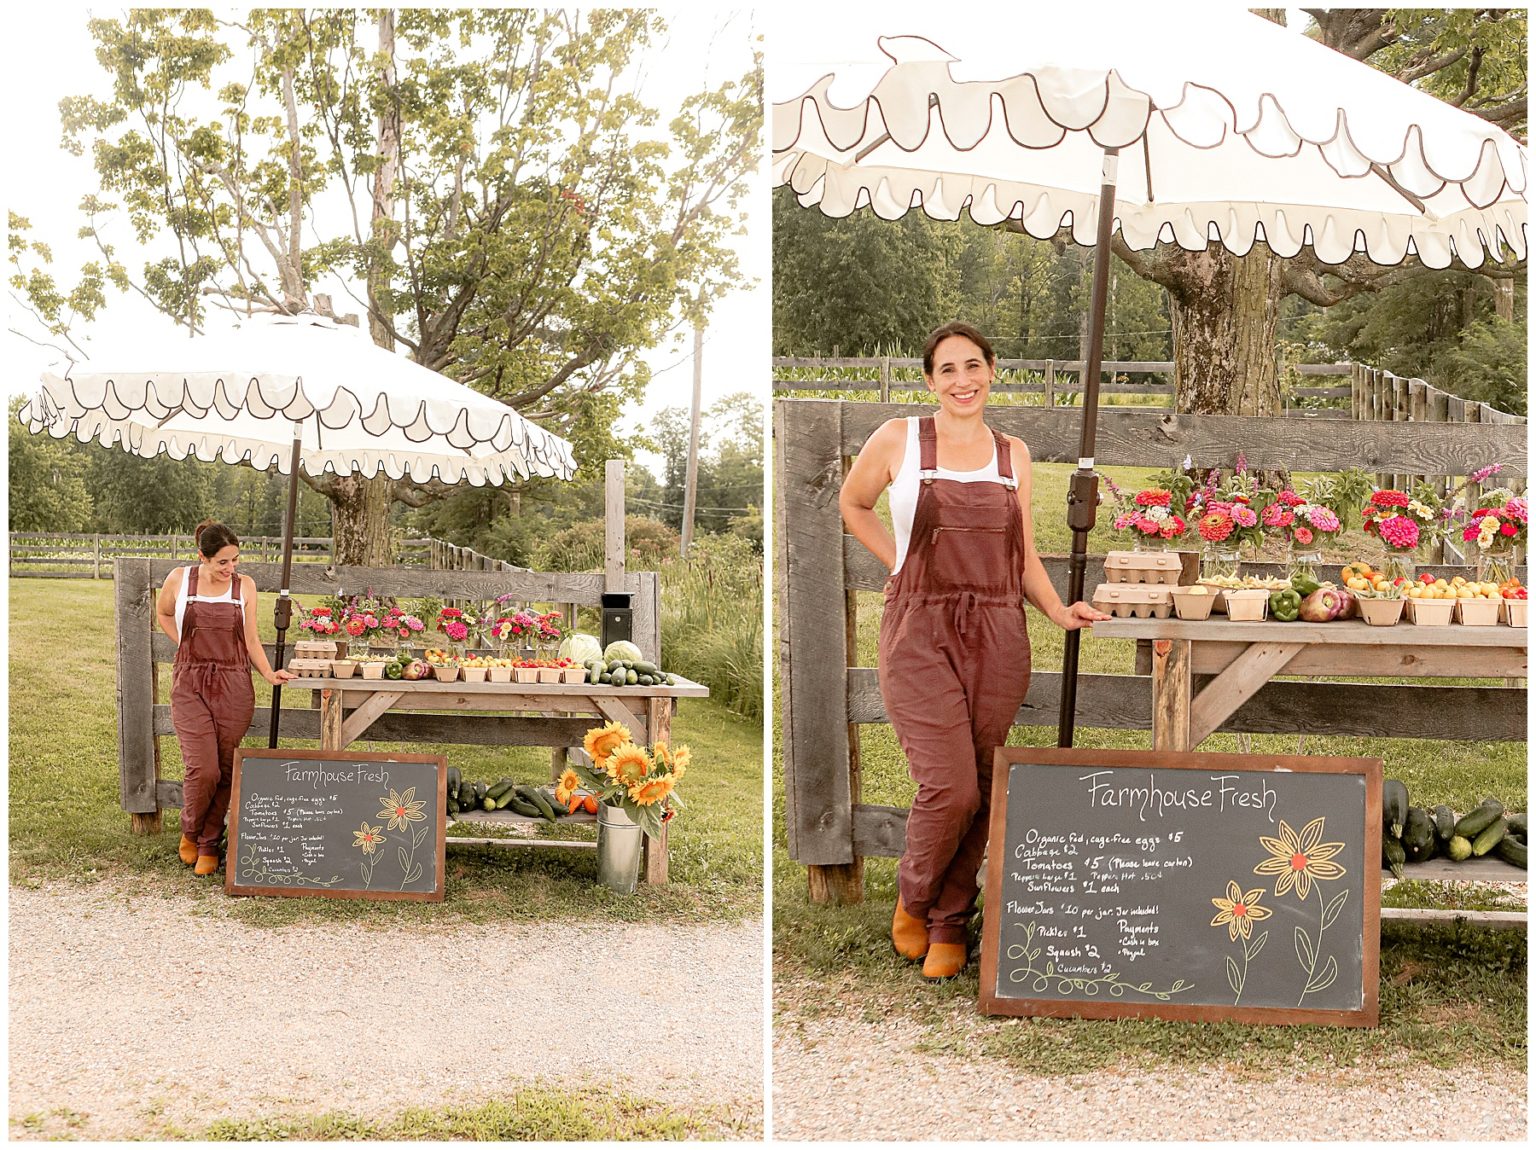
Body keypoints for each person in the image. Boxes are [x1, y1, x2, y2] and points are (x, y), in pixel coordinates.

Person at [839, 321, 1110, 980]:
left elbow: (1019, 552)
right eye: (947, 370)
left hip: (997, 629)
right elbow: (853, 503)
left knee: (987, 784)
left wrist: (1054, 607)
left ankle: (949, 923)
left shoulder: (1011, 453)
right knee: (950, 785)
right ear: (930, 381)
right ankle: (916, 897)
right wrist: (900, 563)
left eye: (973, 366)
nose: (962, 381)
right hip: (919, 628)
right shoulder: (899, 438)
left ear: (992, 370)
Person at [155, 520, 295, 875]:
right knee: (203, 769)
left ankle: (208, 844)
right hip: (190, 683)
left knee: (227, 768)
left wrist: (267, 673)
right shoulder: (179, 580)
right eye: (223, 562)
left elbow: (250, 640)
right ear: (202, 556)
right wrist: (183, 645)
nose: (231, 568)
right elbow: (164, 612)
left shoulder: (244, 587)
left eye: (235, 560)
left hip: (234, 684)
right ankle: (191, 830)